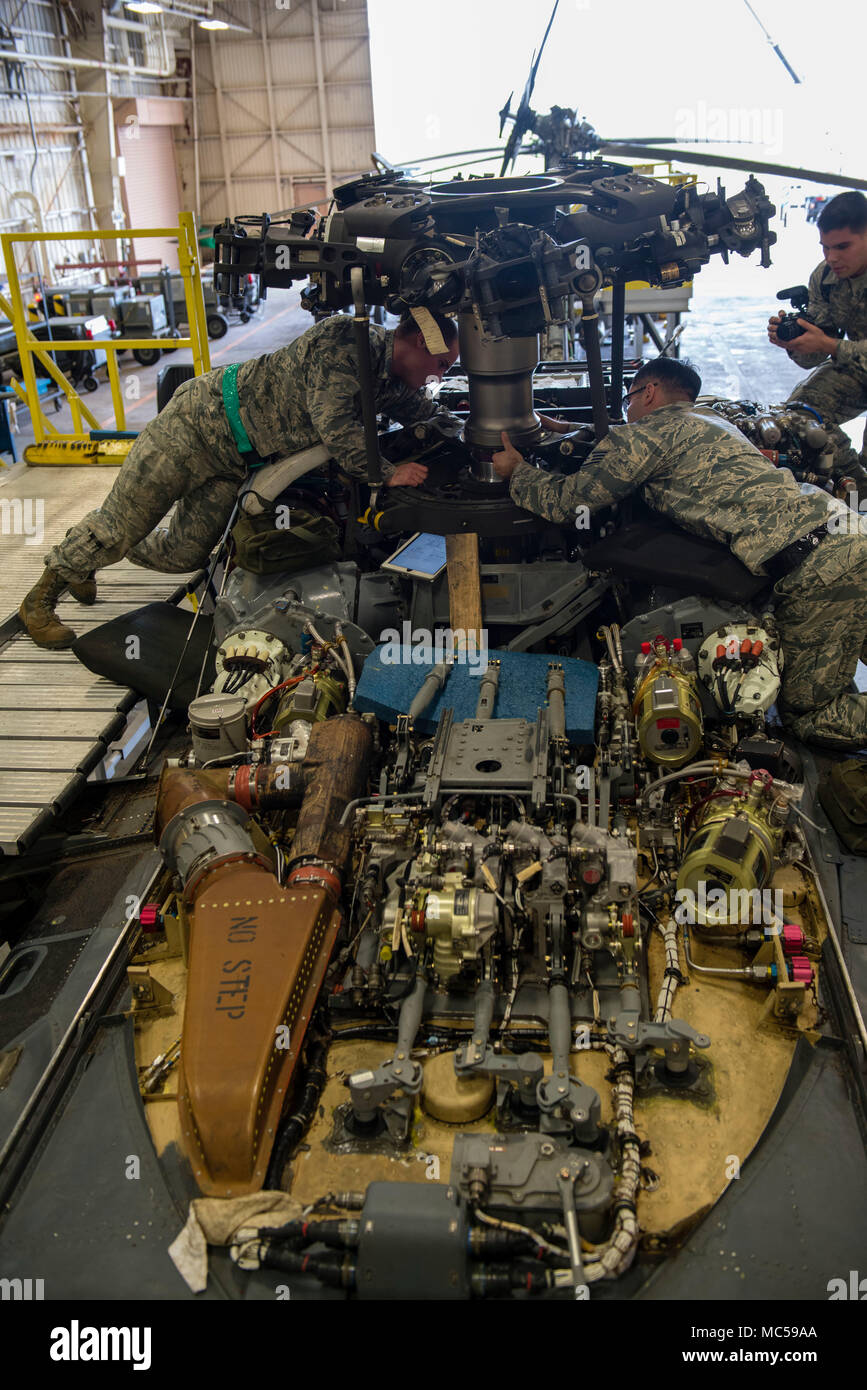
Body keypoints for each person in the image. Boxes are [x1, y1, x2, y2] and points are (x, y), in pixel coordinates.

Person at [19, 308, 460, 650]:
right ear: (419, 341)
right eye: (440, 362)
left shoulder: (389, 377)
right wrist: (387, 472)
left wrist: (475, 430)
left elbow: (422, 412)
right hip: (196, 426)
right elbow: (337, 428)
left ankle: (94, 548)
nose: (438, 374)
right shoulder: (346, 341)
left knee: (182, 555)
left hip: (238, 458)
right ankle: (42, 599)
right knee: (121, 526)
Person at [492, 356, 867, 750]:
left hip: (819, 569)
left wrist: (517, 471)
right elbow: (652, 445)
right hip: (845, 531)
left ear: (648, 392)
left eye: (628, 400)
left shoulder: (643, 437)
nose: (628, 410)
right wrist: (576, 430)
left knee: (809, 715)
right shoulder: (710, 416)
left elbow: (568, 503)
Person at [768, 190, 867, 491]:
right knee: (800, 416)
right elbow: (816, 353)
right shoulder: (825, 277)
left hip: (853, 358)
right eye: (825, 247)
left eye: (842, 247)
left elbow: (830, 347)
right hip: (857, 367)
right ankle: (860, 490)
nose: (832, 257)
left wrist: (829, 346)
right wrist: (796, 342)